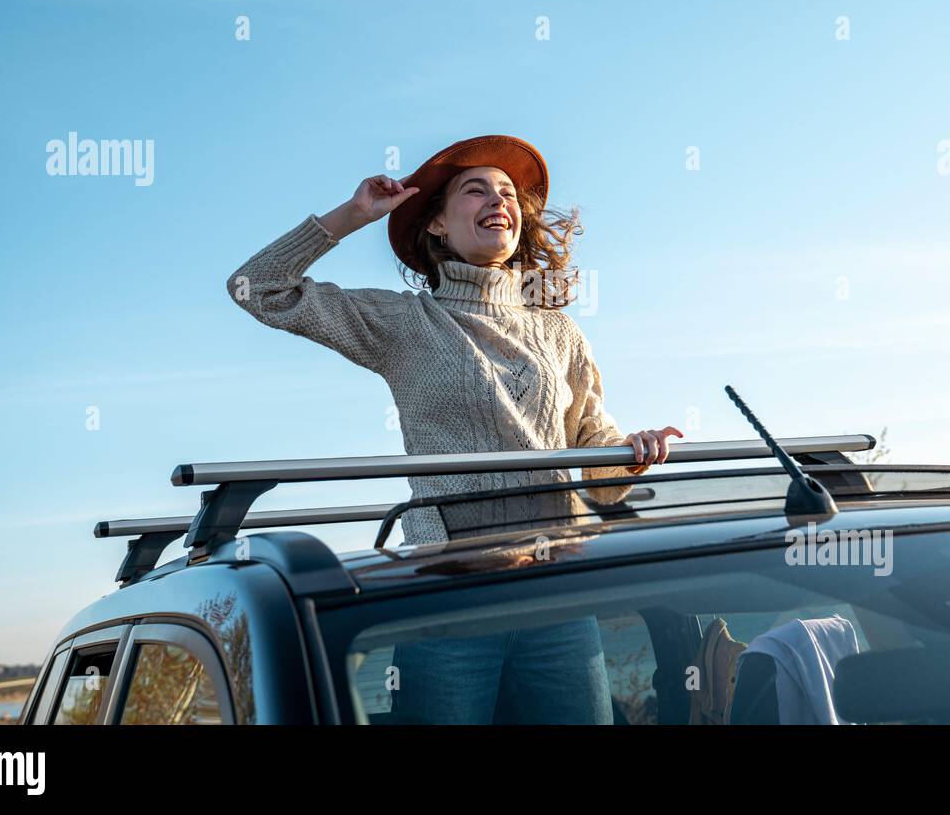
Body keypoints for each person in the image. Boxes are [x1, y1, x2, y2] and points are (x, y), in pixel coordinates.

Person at [226, 134, 682, 723]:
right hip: (448, 605)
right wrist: (353, 215)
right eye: (476, 190)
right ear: (437, 224)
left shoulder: (560, 332)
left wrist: (634, 451)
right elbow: (256, 287)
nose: (500, 200)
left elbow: (599, 473)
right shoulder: (403, 321)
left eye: (509, 192)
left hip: (559, 602)